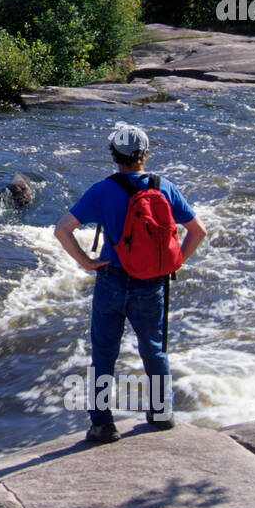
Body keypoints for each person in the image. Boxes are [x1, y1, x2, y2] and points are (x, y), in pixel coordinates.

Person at [53, 124, 207, 444]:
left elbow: (62, 230)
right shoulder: (165, 187)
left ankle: (102, 425)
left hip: (112, 279)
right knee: (153, 349)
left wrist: (87, 263)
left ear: (114, 155)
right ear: (145, 154)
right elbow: (198, 231)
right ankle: (161, 413)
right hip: (152, 284)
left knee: (104, 352)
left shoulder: (101, 190)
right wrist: (174, 263)